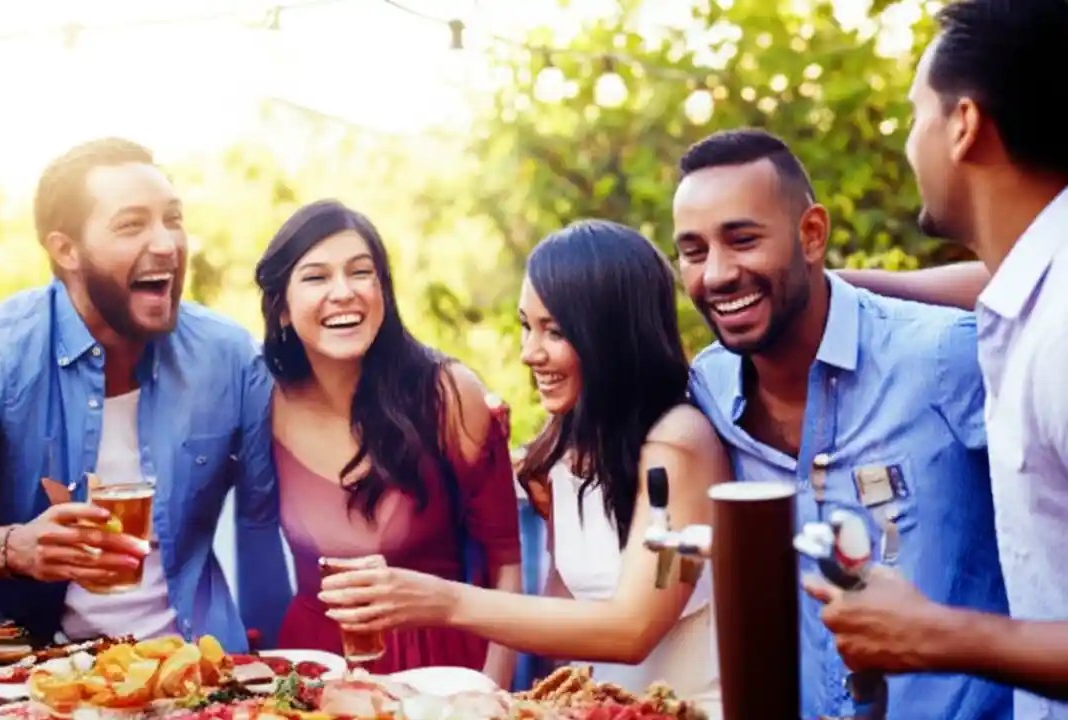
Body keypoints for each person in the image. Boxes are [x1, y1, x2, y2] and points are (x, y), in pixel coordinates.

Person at [0, 138, 292, 651]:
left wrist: (275, 668)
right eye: (131, 224)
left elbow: (259, 527)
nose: (167, 243)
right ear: (65, 250)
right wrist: (16, 548)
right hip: (42, 676)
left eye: (172, 219)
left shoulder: (229, 356)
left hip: (199, 666)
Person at [318, 220, 727, 717]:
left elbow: (633, 628)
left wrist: (444, 602)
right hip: (600, 709)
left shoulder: (680, 445)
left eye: (555, 331)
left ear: (612, 335)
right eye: (526, 326)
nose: (529, 353)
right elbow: (562, 613)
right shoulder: (565, 445)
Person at [674, 128, 1011, 719]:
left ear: (812, 234)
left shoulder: (941, 360)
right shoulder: (709, 389)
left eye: (743, 240)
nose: (718, 273)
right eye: (694, 252)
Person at [804, 0, 1068, 713]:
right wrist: (826, 287)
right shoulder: (1036, 285)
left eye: (916, 115)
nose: (908, 144)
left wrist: (932, 635)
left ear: (963, 124)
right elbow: (993, 281)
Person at [255, 200, 521, 686]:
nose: (344, 293)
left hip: (438, 676)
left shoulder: (448, 393)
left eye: (361, 272)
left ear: (383, 290)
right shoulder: (263, 404)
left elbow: (506, 562)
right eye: (316, 277)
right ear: (282, 309)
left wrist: (493, 692)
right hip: (315, 676)